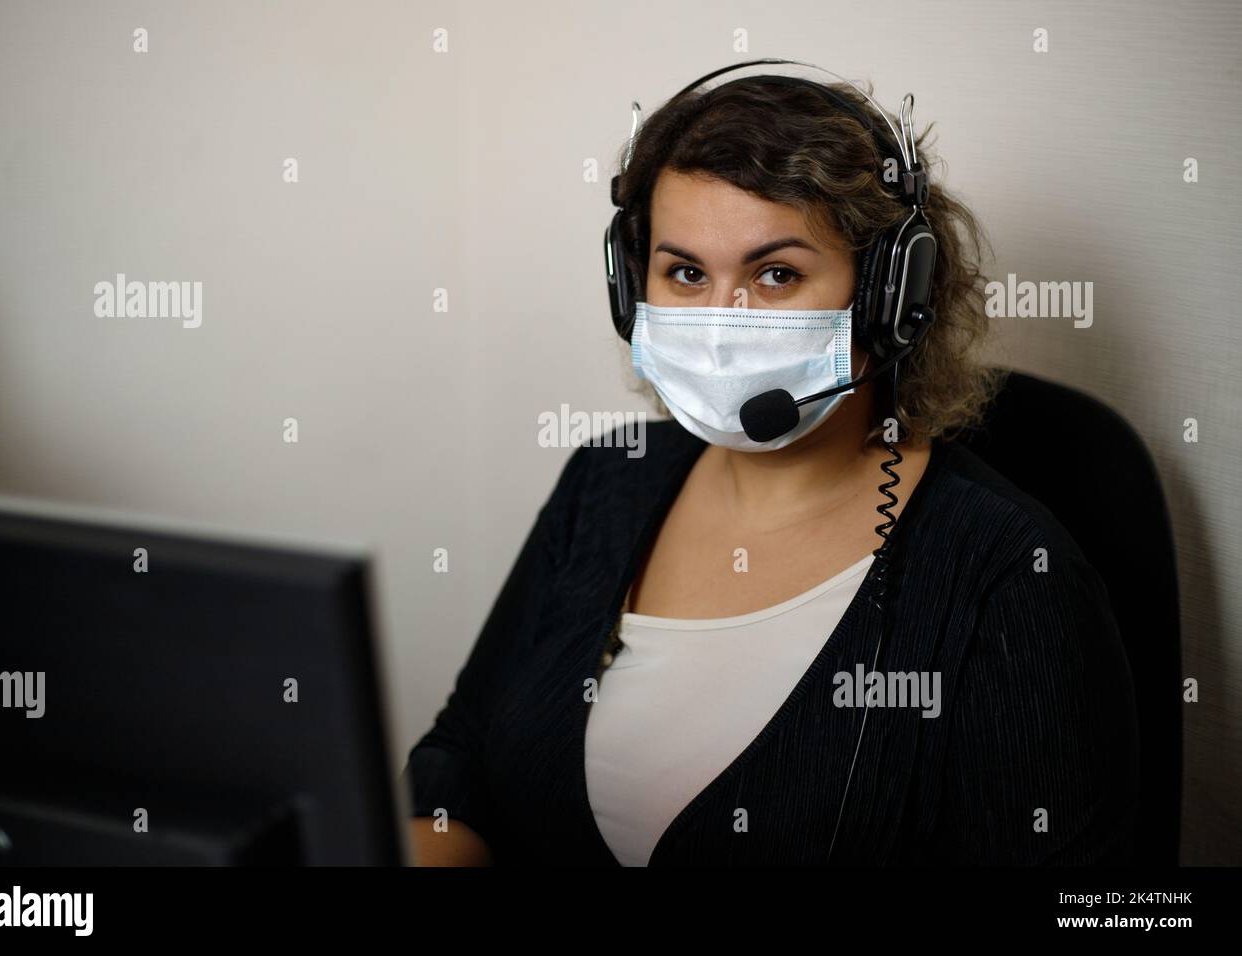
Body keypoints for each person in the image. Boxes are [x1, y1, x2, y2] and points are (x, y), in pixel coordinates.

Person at [401, 64, 1140, 866]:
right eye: (685, 273)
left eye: (776, 274)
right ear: (632, 289)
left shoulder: (1007, 578)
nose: (721, 321)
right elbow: (460, 766)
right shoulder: (607, 479)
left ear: (890, 299)